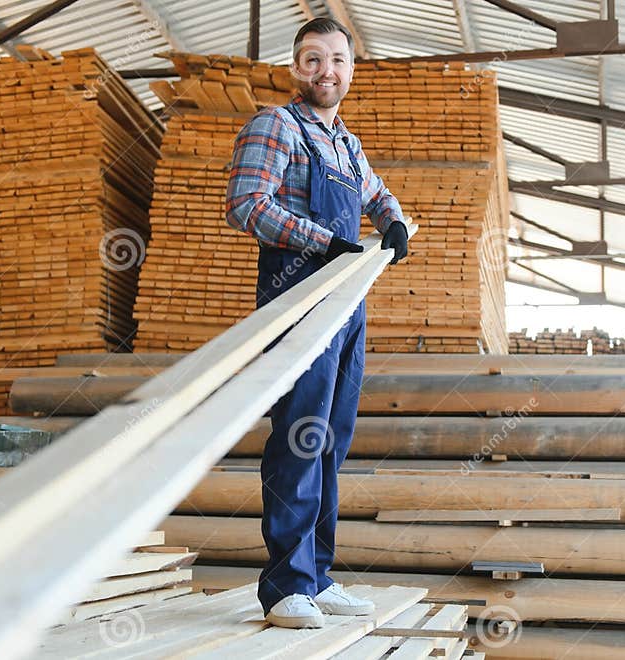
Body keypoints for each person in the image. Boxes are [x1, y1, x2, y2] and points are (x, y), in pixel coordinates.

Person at [225, 17, 410, 629]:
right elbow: (248, 205)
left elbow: (376, 194)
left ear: (351, 70)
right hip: (298, 298)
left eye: (337, 59)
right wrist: (324, 241)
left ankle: (317, 576)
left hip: (347, 302)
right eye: (312, 59)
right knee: (298, 437)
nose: (325, 71)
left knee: (331, 442)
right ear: (295, 67)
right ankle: (284, 587)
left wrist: (393, 222)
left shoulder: (346, 143)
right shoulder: (276, 125)